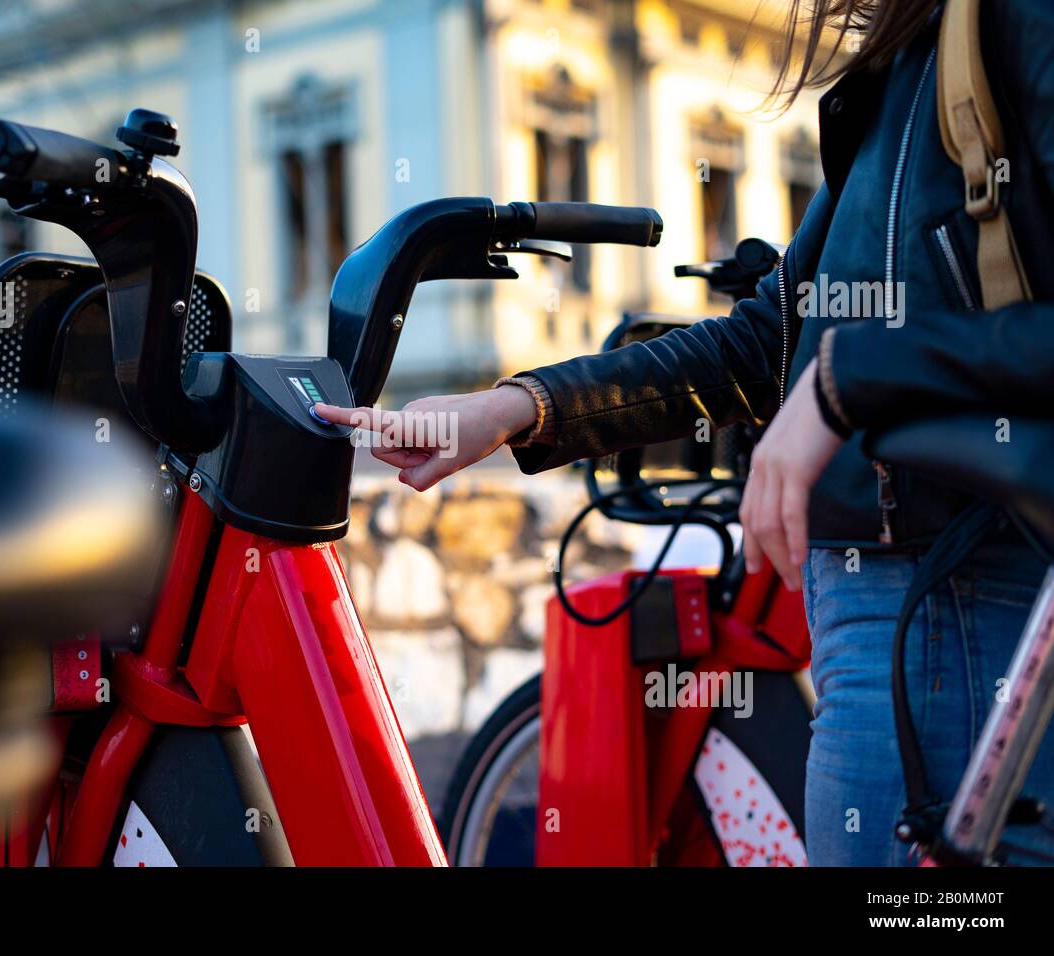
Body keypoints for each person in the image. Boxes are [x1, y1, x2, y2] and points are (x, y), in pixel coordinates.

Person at [316, 0, 1054, 865]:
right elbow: (769, 340)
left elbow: (825, 359)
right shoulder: (913, 54)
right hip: (903, 614)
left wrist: (848, 385)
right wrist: (514, 408)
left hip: (953, 604)